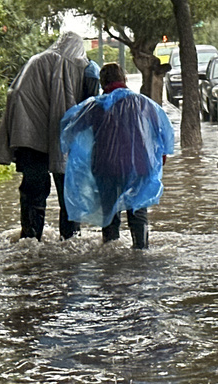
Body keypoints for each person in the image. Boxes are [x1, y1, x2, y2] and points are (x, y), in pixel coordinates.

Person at [0, 31, 100, 241]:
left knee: (33, 191)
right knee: (69, 192)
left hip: (27, 137)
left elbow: (14, 95)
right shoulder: (80, 66)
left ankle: (30, 239)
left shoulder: (36, 61)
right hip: (58, 139)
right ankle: (70, 240)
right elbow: (89, 107)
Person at [60, 63, 175, 249]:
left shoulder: (95, 106)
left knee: (110, 214)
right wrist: (158, 161)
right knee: (137, 209)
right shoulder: (144, 103)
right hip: (139, 166)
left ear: (102, 82)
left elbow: (70, 130)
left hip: (107, 168)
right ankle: (141, 250)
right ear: (124, 79)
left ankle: (111, 255)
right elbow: (163, 135)